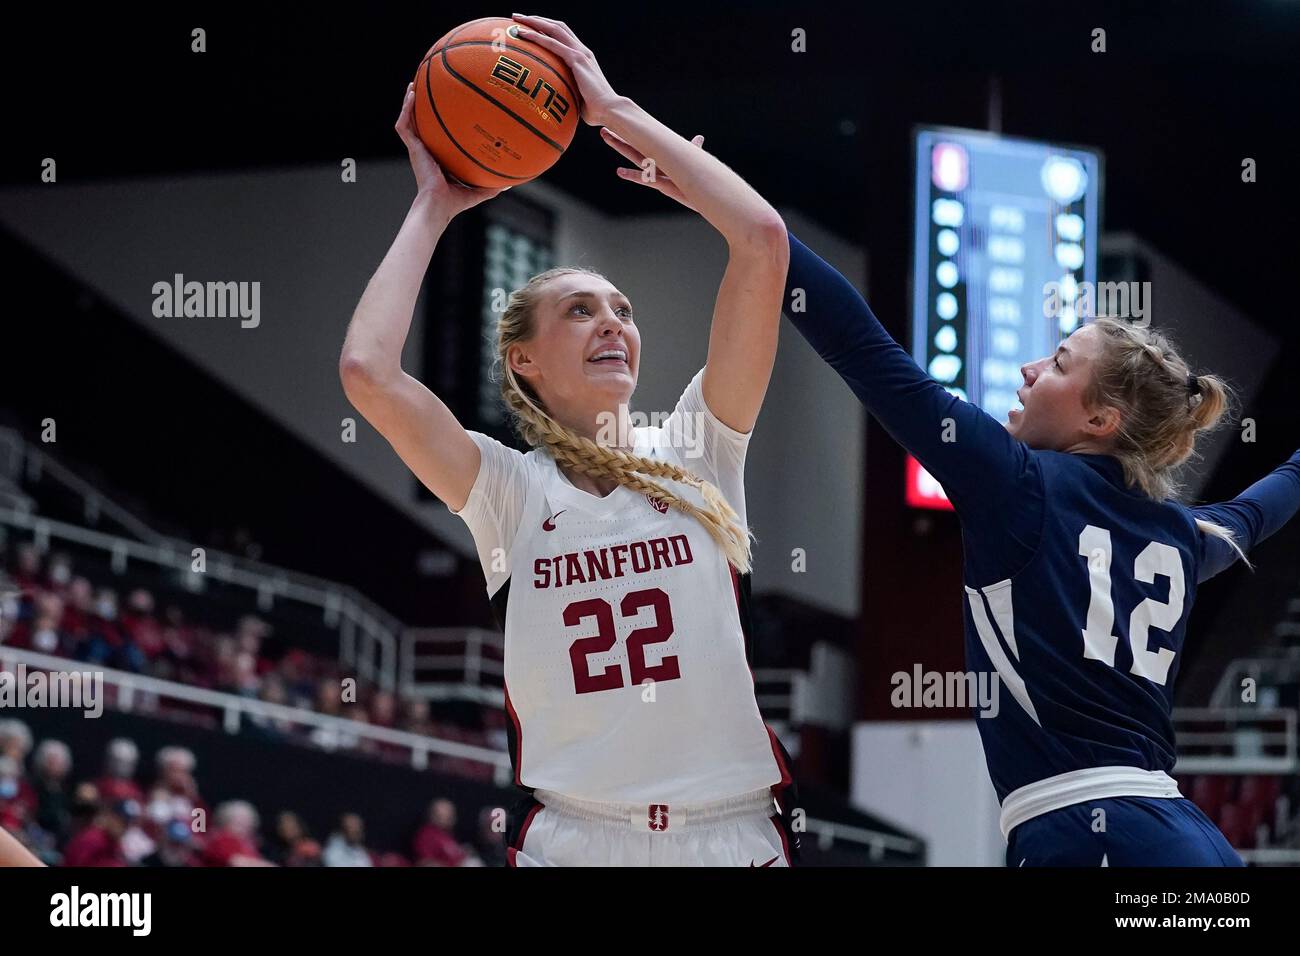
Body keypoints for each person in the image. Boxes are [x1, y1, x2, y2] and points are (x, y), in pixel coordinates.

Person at [341, 13, 795, 866]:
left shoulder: (698, 447)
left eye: (621, 308)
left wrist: (616, 109)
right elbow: (367, 369)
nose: (611, 324)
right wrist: (434, 205)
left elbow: (761, 240)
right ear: (524, 358)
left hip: (730, 835)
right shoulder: (509, 491)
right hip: (574, 838)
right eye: (580, 310)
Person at [769, 228, 1300, 866]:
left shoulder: (1017, 484)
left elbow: (865, 349)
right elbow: (1270, 498)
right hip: (1188, 840)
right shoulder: (1188, 536)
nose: (1029, 369)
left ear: (1101, 420)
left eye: (1057, 362)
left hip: (1086, 834)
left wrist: (757, 233)